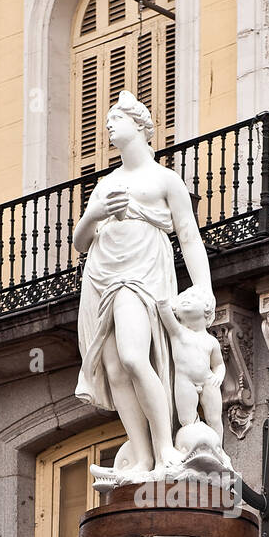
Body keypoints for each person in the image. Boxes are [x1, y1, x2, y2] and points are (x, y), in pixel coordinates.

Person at [73, 90, 215, 475]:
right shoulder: (105, 184)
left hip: (141, 273)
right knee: (116, 368)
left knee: (135, 356)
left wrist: (204, 287)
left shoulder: (165, 179)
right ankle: (141, 456)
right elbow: (80, 241)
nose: (107, 125)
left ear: (138, 125)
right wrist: (96, 213)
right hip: (102, 274)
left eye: (115, 119)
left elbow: (188, 234)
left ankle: (165, 446)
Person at [156, 286, 226, 444]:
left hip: (208, 381)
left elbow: (219, 364)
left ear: (207, 309)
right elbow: (164, 310)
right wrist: (166, 300)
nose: (186, 300)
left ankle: (218, 449)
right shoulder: (178, 332)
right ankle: (194, 444)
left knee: (214, 418)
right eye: (182, 300)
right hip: (185, 380)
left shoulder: (211, 341)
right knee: (186, 420)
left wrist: (218, 376)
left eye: (194, 297)